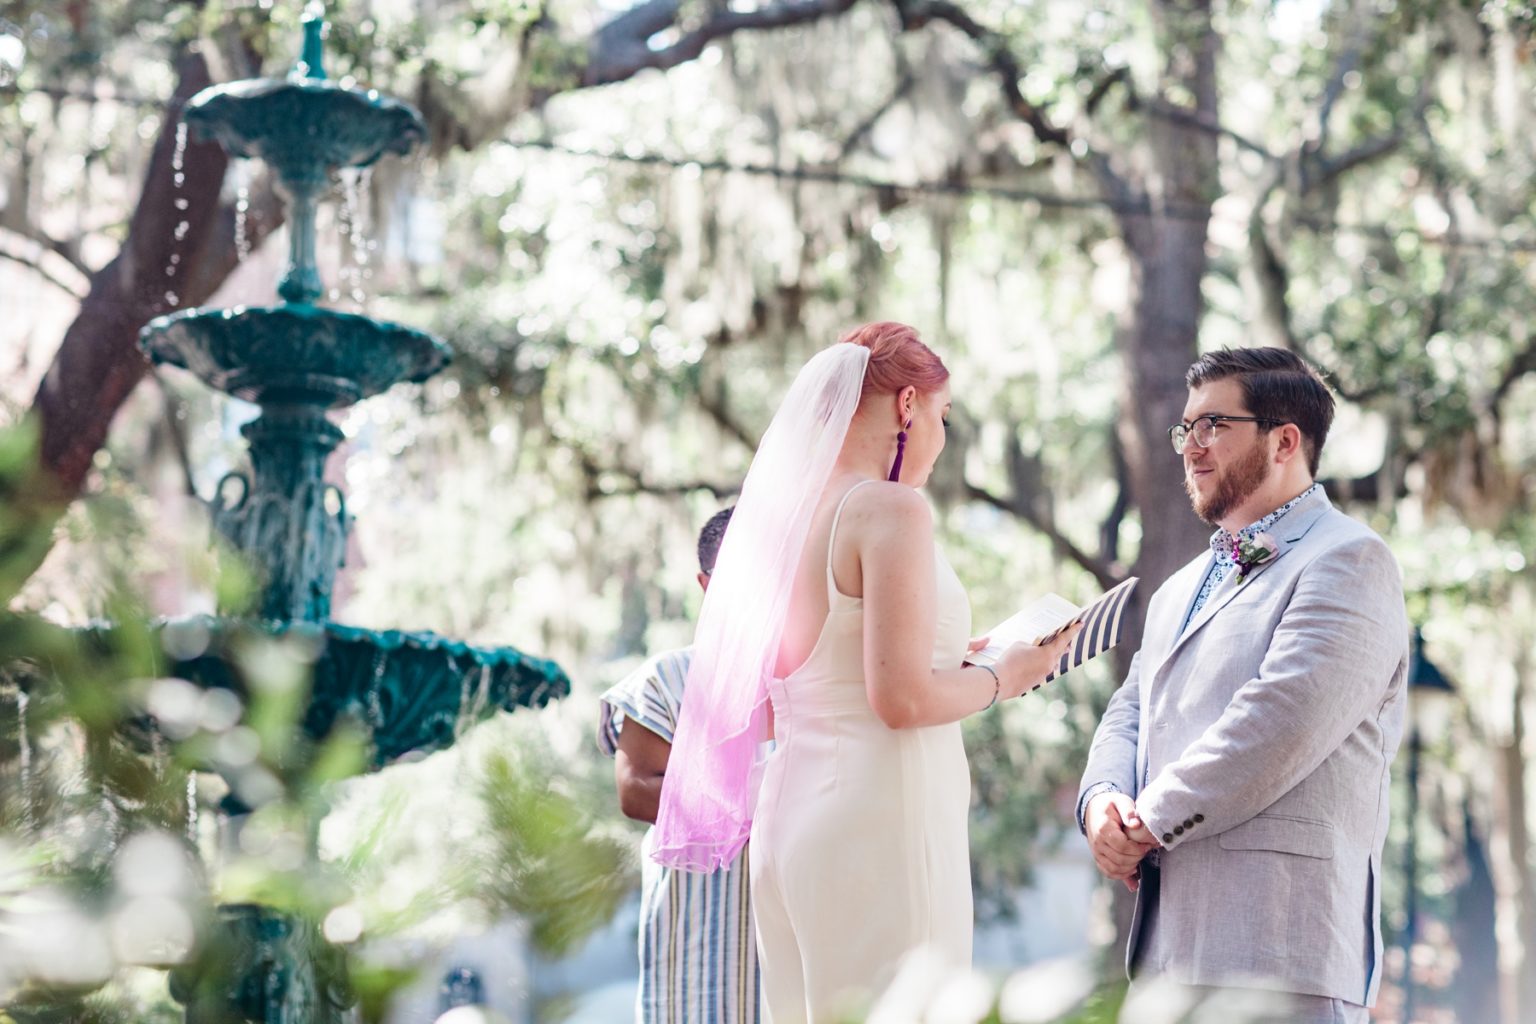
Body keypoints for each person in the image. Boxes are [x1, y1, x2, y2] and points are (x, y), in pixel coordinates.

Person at [652, 322, 1078, 1023]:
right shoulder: (889, 509)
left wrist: (958, 655)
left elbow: (797, 681)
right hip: (881, 815)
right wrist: (1010, 673)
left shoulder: (778, 521)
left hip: (791, 819)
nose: (940, 440)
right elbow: (900, 701)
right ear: (907, 406)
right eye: (942, 415)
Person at [1077, 347, 1409, 1023]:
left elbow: (1280, 723)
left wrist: (1147, 820)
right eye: (1185, 429)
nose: (1190, 448)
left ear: (1285, 440)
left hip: (1280, 951)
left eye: (1212, 426)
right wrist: (1102, 801)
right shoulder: (1175, 590)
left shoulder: (1349, 560)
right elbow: (1130, 709)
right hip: (1165, 960)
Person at [597, 507, 761, 1024]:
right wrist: (774, 798)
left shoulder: (816, 681)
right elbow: (636, 790)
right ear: (706, 584)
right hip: (697, 943)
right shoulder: (665, 680)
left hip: (791, 934)